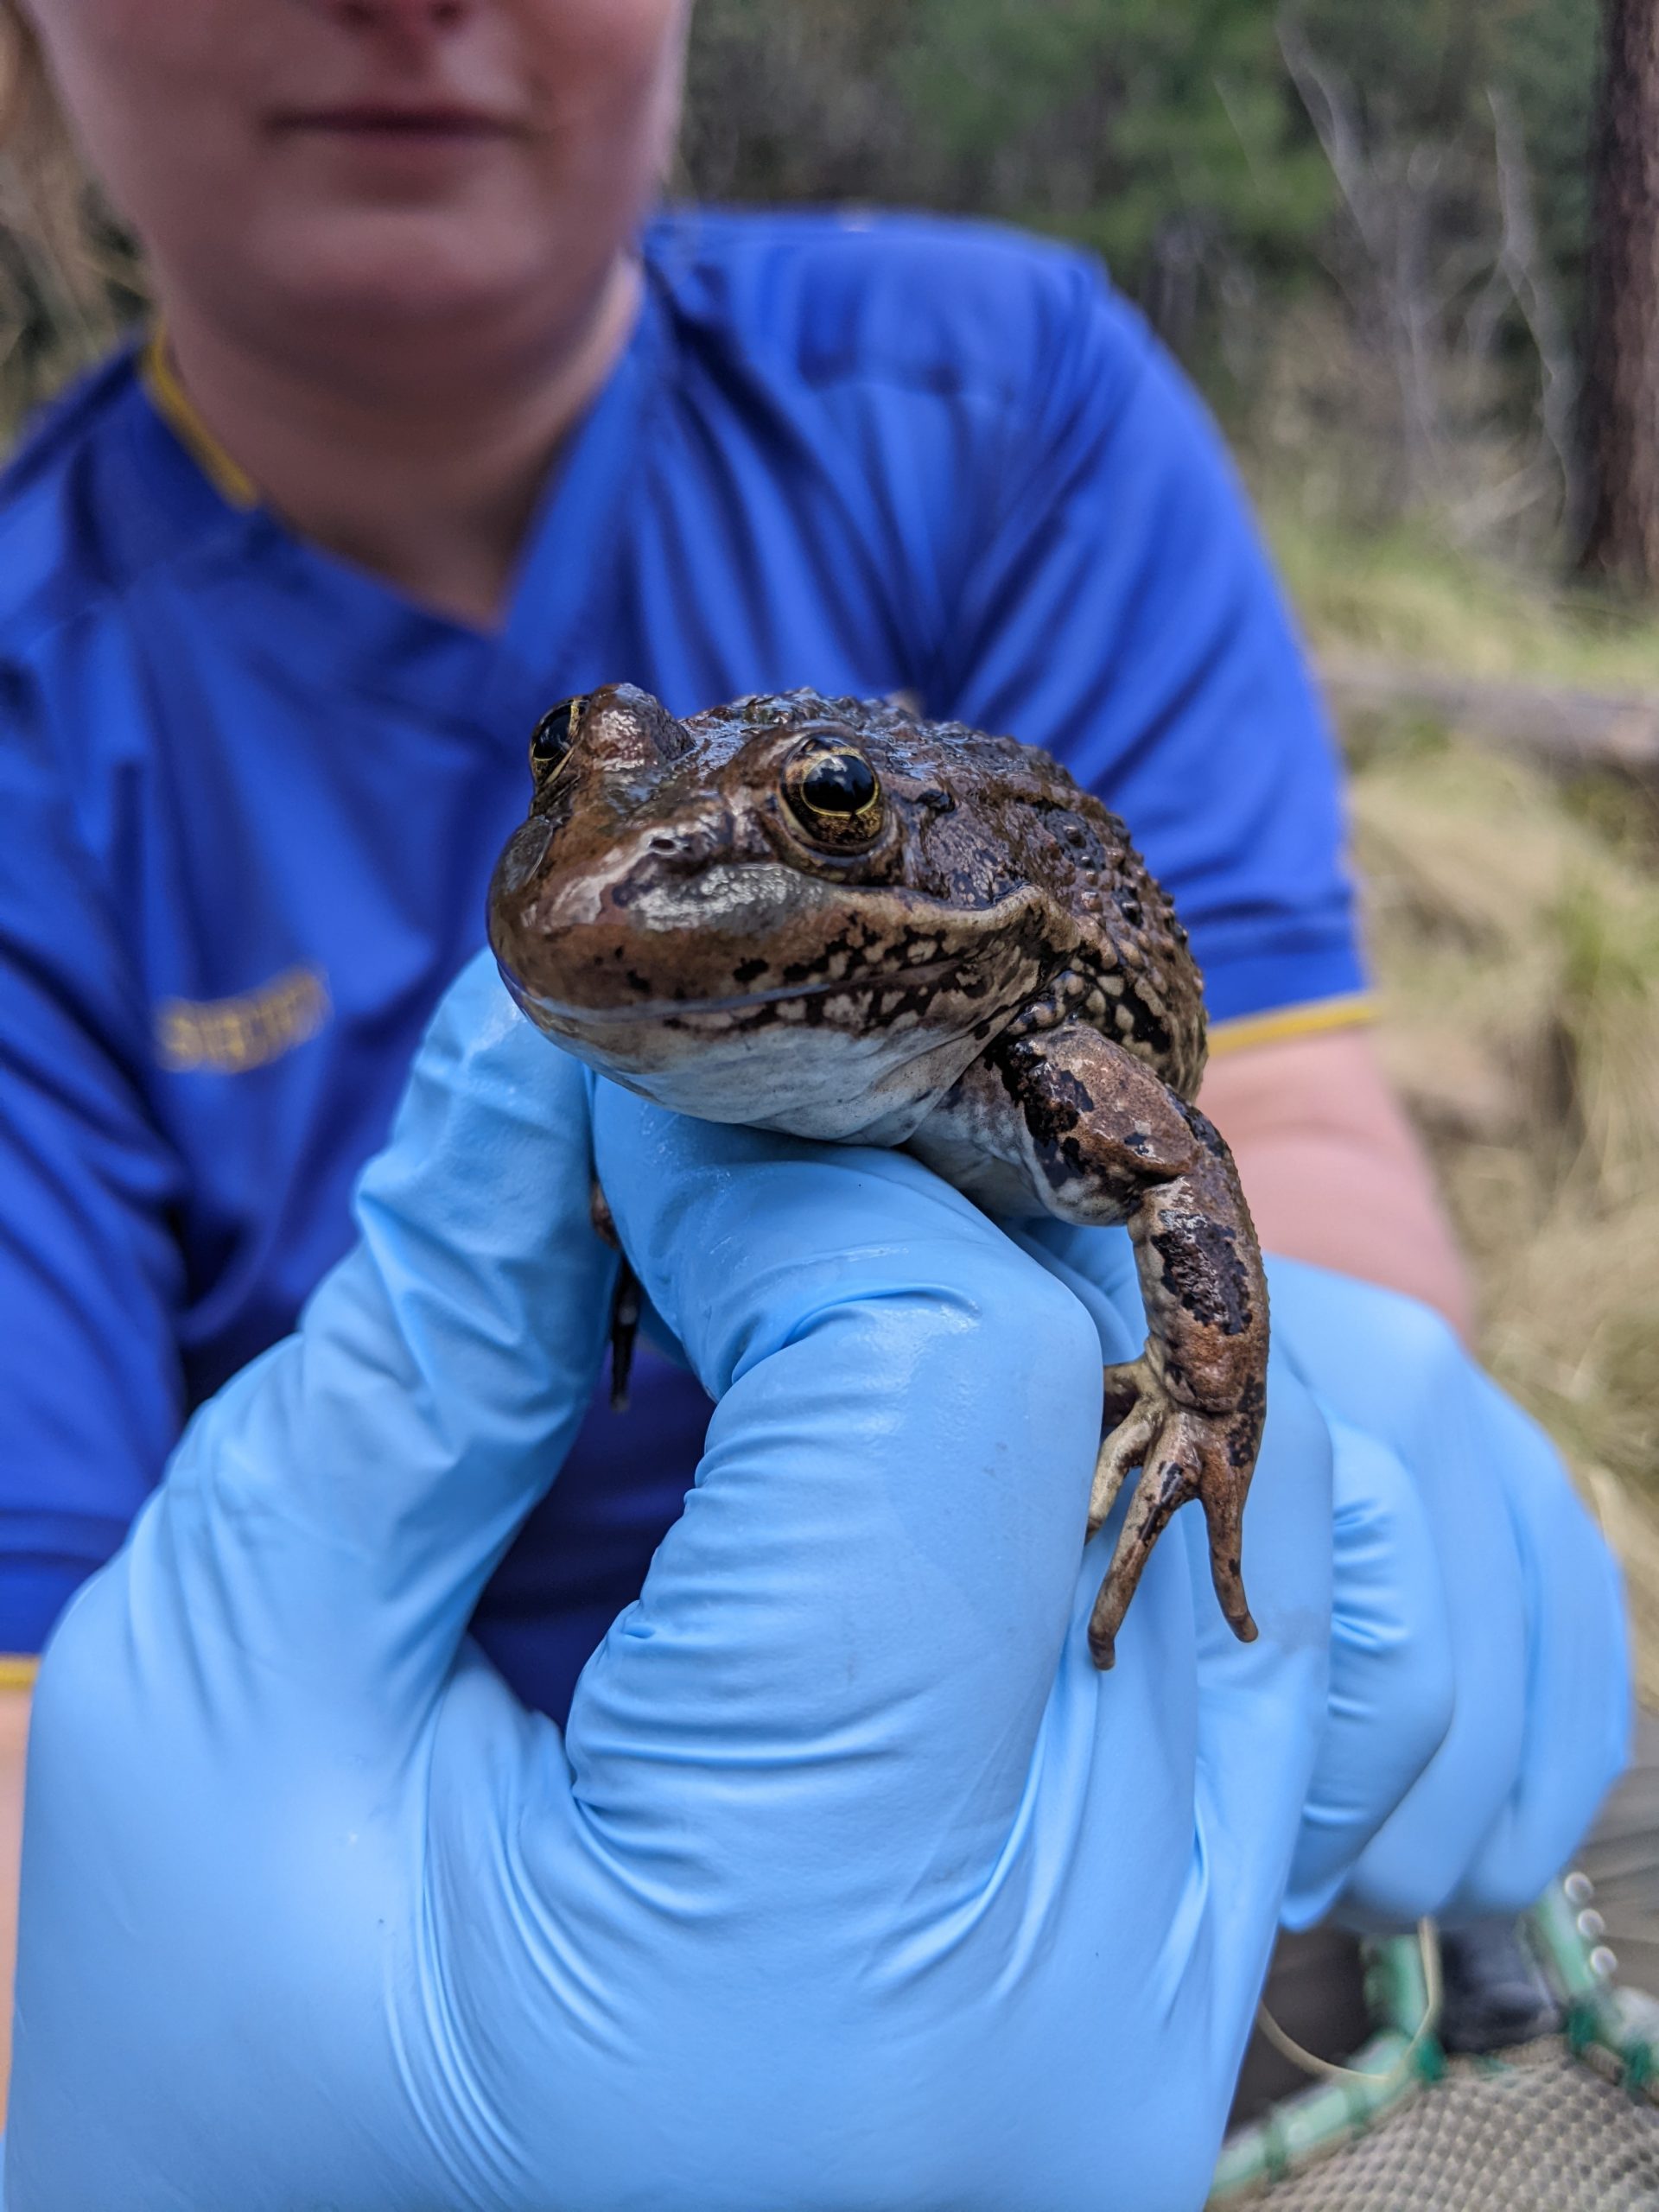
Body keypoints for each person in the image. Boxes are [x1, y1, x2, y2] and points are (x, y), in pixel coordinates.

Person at [0, 0, 1624, 2194]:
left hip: (1079, 1813)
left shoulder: (995, 406)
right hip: (386, 1854)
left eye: (826, 808)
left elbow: (1198, 1145)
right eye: (579, 775)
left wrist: (1241, 1428)